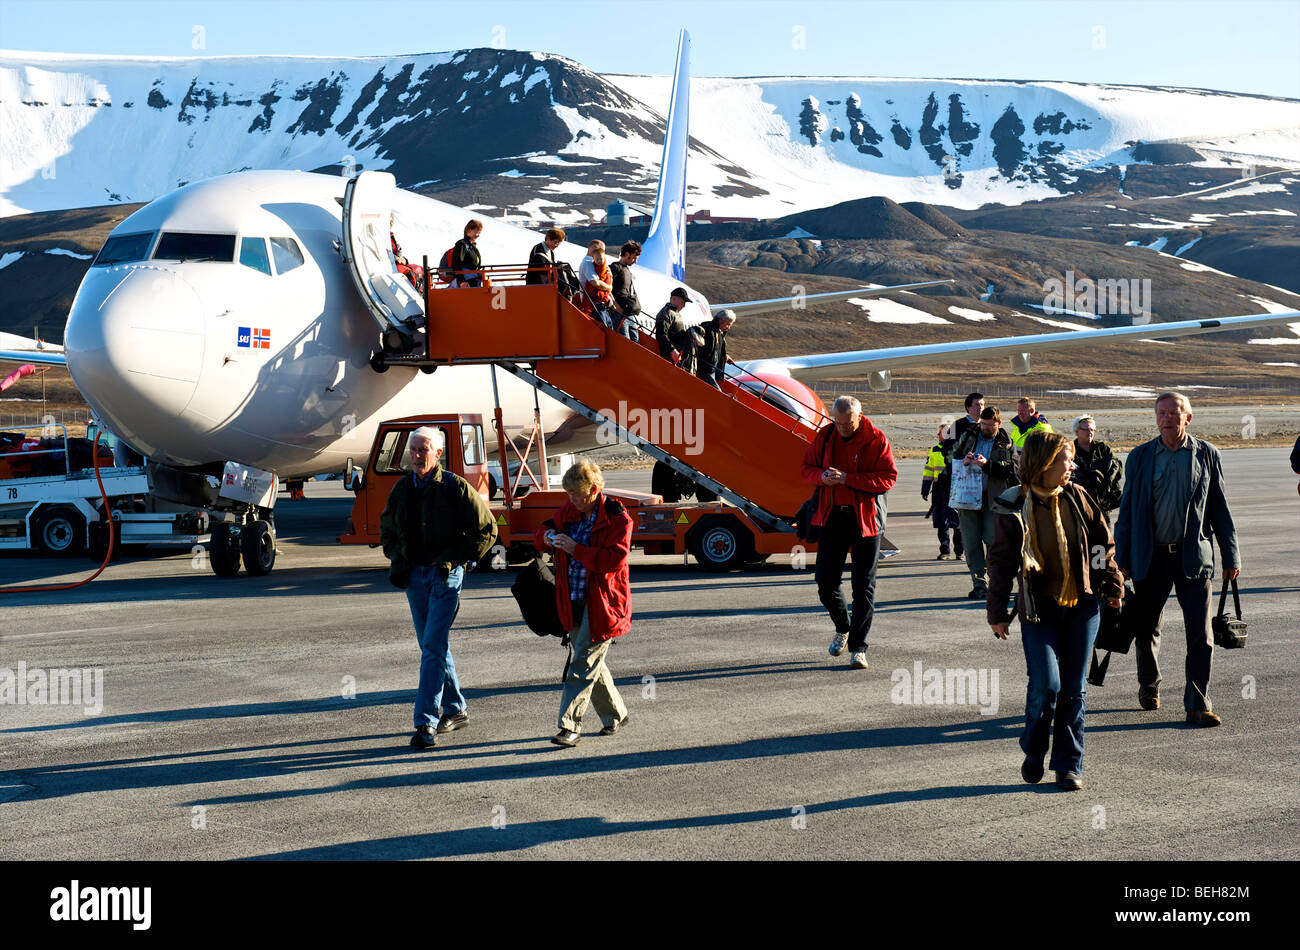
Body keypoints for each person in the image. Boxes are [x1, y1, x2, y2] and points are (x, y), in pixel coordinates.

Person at [988, 430, 1124, 791]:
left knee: (1074, 690)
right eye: (1066, 459)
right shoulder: (1013, 503)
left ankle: (1068, 765)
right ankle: (1034, 749)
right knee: (1047, 686)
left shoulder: (1078, 497)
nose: (1072, 465)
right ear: (1045, 463)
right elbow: (1000, 562)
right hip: (1038, 610)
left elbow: (1102, 545)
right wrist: (997, 612)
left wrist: (1111, 587)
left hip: (1083, 605)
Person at [1114, 391, 1241, 726]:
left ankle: (1198, 704)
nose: (1167, 418)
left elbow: (1219, 509)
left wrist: (1231, 554)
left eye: (1174, 412)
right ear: (1155, 417)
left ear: (1189, 417)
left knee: (1201, 634)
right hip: (1150, 557)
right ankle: (1149, 684)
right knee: (1146, 627)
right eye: (1161, 413)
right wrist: (1121, 555)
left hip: (1193, 559)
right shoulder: (1140, 457)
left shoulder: (1207, 454)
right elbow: (1126, 511)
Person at [379, 427, 498, 749]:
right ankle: (456, 709)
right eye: (414, 449)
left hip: (446, 577)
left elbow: (487, 530)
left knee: (432, 648)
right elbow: (387, 526)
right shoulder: (402, 488)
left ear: (438, 454)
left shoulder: (454, 487)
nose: (417, 455)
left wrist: (457, 560)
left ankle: (425, 723)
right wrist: (395, 552)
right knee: (431, 647)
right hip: (414, 577)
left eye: (424, 449)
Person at [535, 460, 633, 747]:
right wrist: (549, 537)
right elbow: (540, 532)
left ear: (593, 490)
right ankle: (616, 715)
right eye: (568, 494)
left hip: (603, 603)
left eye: (576, 494)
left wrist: (576, 549)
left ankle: (569, 726)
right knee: (590, 661)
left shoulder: (617, 517)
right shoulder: (569, 511)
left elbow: (613, 560)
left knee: (581, 662)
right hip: (572, 599)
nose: (571, 500)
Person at [801, 395, 899, 669]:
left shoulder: (876, 439)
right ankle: (843, 627)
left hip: (865, 521)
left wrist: (848, 479)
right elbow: (806, 468)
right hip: (832, 517)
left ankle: (859, 647)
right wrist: (822, 477)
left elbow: (889, 477)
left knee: (863, 587)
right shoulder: (825, 436)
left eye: (847, 423)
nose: (842, 428)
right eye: (838, 422)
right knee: (825, 582)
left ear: (859, 415)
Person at [949, 406, 1017, 600]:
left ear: (998, 424)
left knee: (993, 541)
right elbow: (950, 457)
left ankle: (995, 582)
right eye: (983, 424)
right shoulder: (969, 437)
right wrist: (963, 460)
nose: (985, 428)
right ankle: (979, 583)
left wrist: (988, 465)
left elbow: (1012, 471)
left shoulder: (1005, 442)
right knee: (971, 544)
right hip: (968, 498)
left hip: (993, 500)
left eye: (990, 425)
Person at [1070, 414, 1123, 522]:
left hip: (1102, 502)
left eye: (1092, 429)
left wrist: (1106, 477)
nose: (1090, 432)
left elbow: (1118, 468)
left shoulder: (1102, 448)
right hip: (1079, 502)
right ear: (1077, 431)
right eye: (1086, 429)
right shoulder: (1070, 449)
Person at [922, 423, 963, 560]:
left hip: (955, 490)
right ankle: (945, 551)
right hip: (939, 491)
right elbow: (928, 470)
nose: (938, 435)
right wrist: (925, 488)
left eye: (940, 433)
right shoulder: (934, 450)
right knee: (942, 522)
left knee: (958, 523)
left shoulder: (958, 450)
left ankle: (960, 551)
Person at [653, 287, 699, 376]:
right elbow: (661, 334)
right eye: (682, 302)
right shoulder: (667, 313)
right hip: (669, 357)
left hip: (676, 357)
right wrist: (672, 350)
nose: (684, 305)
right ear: (673, 299)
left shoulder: (676, 314)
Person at [608, 240, 643, 341]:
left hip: (629, 315)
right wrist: (616, 306)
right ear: (627, 254)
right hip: (619, 314)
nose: (635, 261)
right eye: (634, 258)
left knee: (636, 344)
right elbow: (607, 288)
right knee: (626, 343)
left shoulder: (626, 270)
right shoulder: (615, 268)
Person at [695, 310, 736, 389]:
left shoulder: (719, 333)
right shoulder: (707, 328)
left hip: (712, 370)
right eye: (728, 324)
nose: (728, 327)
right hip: (704, 370)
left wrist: (724, 356)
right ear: (720, 320)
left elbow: (716, 349)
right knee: (717, 391)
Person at [578, 240, 615, 323]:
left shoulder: (594, 263)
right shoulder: (587, 263)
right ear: (593, 248)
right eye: (601, 250)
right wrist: (609, 287)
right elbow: (595, 282)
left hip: (598, 303)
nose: (602, 253)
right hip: (593, 303)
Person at [389, 212, 425, 294]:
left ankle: (422, 291)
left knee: (419, 269)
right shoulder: (383, 237)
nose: (391, 224)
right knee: (410, 273)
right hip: (391, 266)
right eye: (389, 221)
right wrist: (395, 258)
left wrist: (404, 260)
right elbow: (383, 253)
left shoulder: (391, 237)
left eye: (392, 221)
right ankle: (414, 293)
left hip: (397, 264)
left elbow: (398, 253)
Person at [451, 219, 486, 288]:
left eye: (480, 232)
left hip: (473, 280)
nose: (478, 235)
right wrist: (462, 281)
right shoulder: (461, 244)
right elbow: (456, 263)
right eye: (477, 232)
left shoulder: (472, 246)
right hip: (466, 282)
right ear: (469, 230)